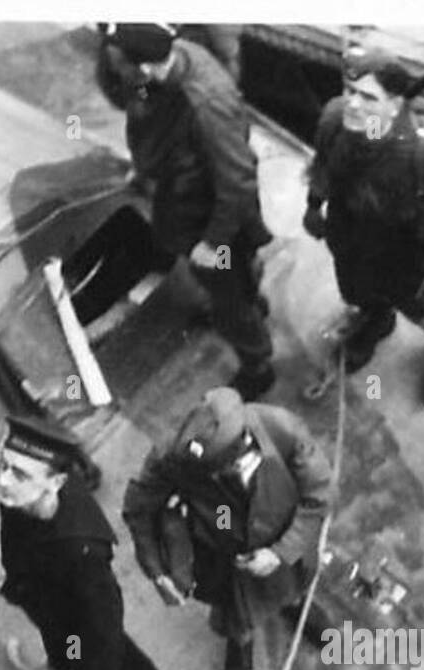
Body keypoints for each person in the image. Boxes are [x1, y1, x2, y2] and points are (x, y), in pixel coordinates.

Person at [0, 415, 170, 670]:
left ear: (55, 482)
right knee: (104, 656)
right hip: (56, 611)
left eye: (19, 473)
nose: (5, 480)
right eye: (4, 467)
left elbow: (102, 619)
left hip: (81, 637)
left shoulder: (81, 552)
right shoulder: (23, 499)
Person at [96, 23, 276, 400]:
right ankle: (250, 297)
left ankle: (257, 364)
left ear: (143, 68)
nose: (114, 73)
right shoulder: (166, 65)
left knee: (228, 293)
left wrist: (213, 243)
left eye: (119, 66)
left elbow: (238, 183)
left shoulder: (206, 105)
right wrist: (146, 167)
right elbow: (145, 113)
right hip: (182, 199)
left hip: (214, 223)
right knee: (231, 283)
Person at [122, 387, 332, 670]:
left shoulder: (281, 429)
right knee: (236, 612)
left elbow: (318, 494)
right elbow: (139, 509)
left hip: (285, 538)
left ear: (245, 444)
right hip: (222, 553)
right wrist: (156, 570)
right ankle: (240, 647)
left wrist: (281, 553)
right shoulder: (174, 457)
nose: (215, 477)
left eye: (223, 469)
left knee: (292, 585)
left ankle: (296, 606)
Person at [303, 54, 424, 403]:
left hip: (410, 255)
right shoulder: (335, 118)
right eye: (351, 90)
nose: (353, 103)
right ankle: (375, 321)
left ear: (396, 104)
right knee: (359, 291)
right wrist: (313, 205)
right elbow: (323, 163)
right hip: (352, 239)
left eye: (369, 97)